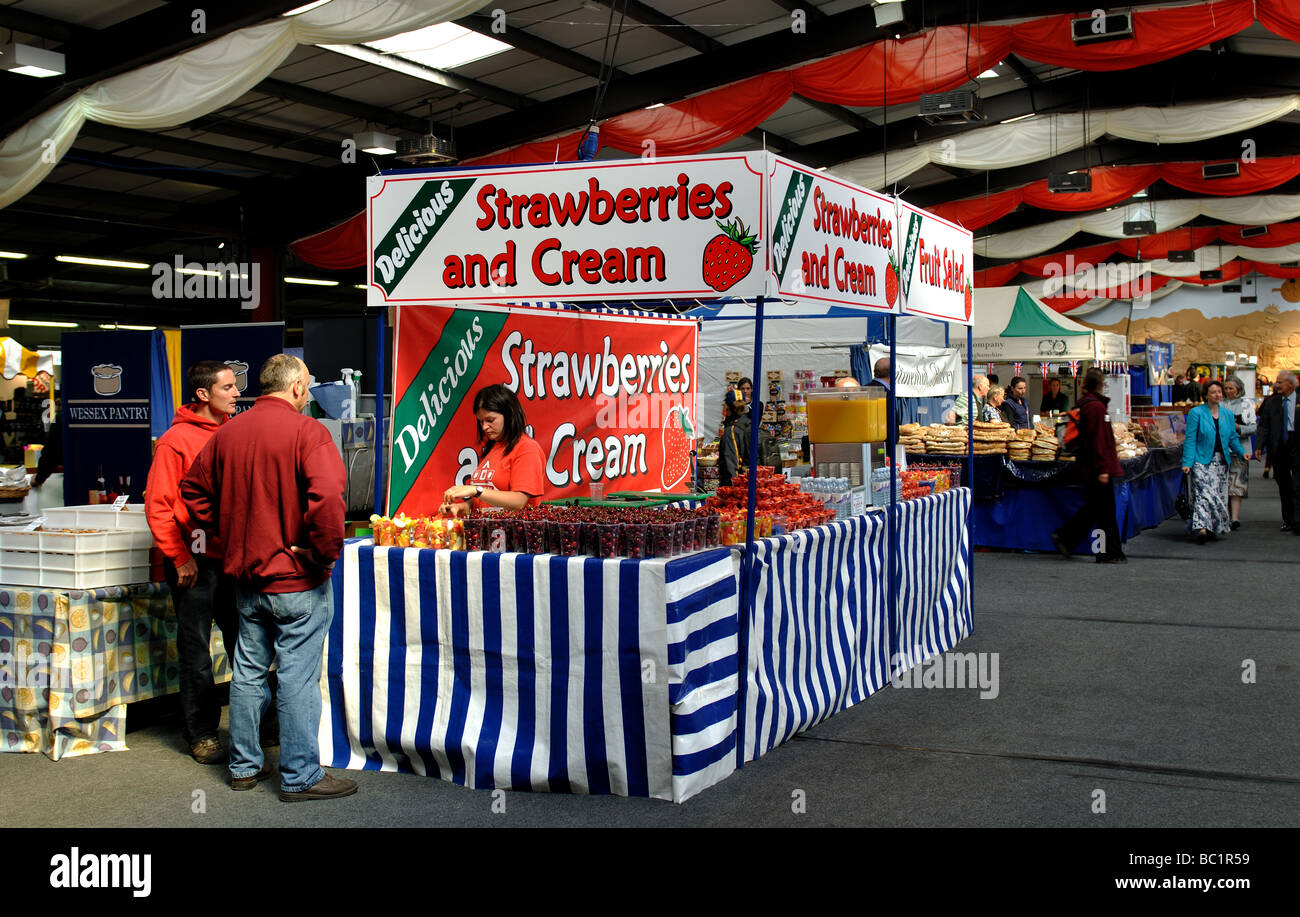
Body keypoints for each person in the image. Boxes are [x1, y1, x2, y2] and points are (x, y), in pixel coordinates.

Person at [182, 355, 355, 802]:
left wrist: (229, 530)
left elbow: (192, 491)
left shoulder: (227, 433)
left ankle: (243, 767)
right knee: (297, 678)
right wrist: (321, 554)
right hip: (297, 580)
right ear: (297, 387)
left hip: (245, 579)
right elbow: (331, 499)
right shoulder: (308, 432)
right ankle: (300, 776)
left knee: (247, 674)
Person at [144, 361, 240, 765]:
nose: (237, 393)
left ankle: (261, 725)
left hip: (233, 561)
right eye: (229, 387)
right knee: (196, 650)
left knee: (248, 644)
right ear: (204, 394)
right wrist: (180, 557)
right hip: (194, 564)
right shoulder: (175, 441)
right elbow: (158, 505)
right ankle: (201, 734)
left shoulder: (235, 432)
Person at [1051, 368, 1126, 563]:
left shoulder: (1086, 405)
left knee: (1094, 510)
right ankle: (1105, 552)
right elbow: (1098, 441)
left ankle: (1068, 539)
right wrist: (1103, 469)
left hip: (1089, 466)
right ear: (1101, 384)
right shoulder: (1096, 408)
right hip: (1096, 468)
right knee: (1104, 513)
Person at [441, 384, 545, 513]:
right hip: (488, 530)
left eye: (490, 420)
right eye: (480, 421)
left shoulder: (527, 448)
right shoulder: (493, 447)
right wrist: (460, 507)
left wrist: (476, 490)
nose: (484, 427)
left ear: (509, 415)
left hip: (515, 531)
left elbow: (519, 501)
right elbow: (484, 503)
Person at [1182, 379, 1245, 544]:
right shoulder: (1196, 413)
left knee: (1216, 495)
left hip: (1221, 461)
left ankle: (1212, 527)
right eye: (1213, 392)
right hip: (1201, 460)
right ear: (1206, 395)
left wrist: (1241, 452)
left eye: (1219, 391)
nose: (1218, 395)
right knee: (1203, 494)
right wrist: (1187, 463)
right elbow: (1190, 439)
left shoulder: (1227, 414)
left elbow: (1232, 437)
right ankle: (1201, 528)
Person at [1255, 369, 1297, 531]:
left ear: (1291, 384)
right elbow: (1264, 426)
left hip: (1297, 446)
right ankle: (1288, 520)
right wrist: (1259, 446)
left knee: (1298, 485)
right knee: (1284, 486)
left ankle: (1298, 520)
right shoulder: (1272, 402)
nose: (1276, 385)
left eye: (1280, 382)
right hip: (1278, 448)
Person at [1222, 374, 1256, 530]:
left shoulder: (1246, 404)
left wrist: (1238, 428)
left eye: (1231, 388)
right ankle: (1225, 515)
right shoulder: (1219, 404)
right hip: (1221, 449)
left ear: (1239, 389)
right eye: (1226, 388)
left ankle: (1234, 518)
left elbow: (1253, 427)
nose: (1228, 391)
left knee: (1237, 484)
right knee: (1223, 483)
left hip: (1240, 449)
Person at [718, 388, 750, 487]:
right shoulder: (751, 425)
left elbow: (731, 464)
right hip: (753, 484)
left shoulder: (731, 431)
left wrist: (733, 491)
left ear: (727, 407)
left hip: (738, 489)